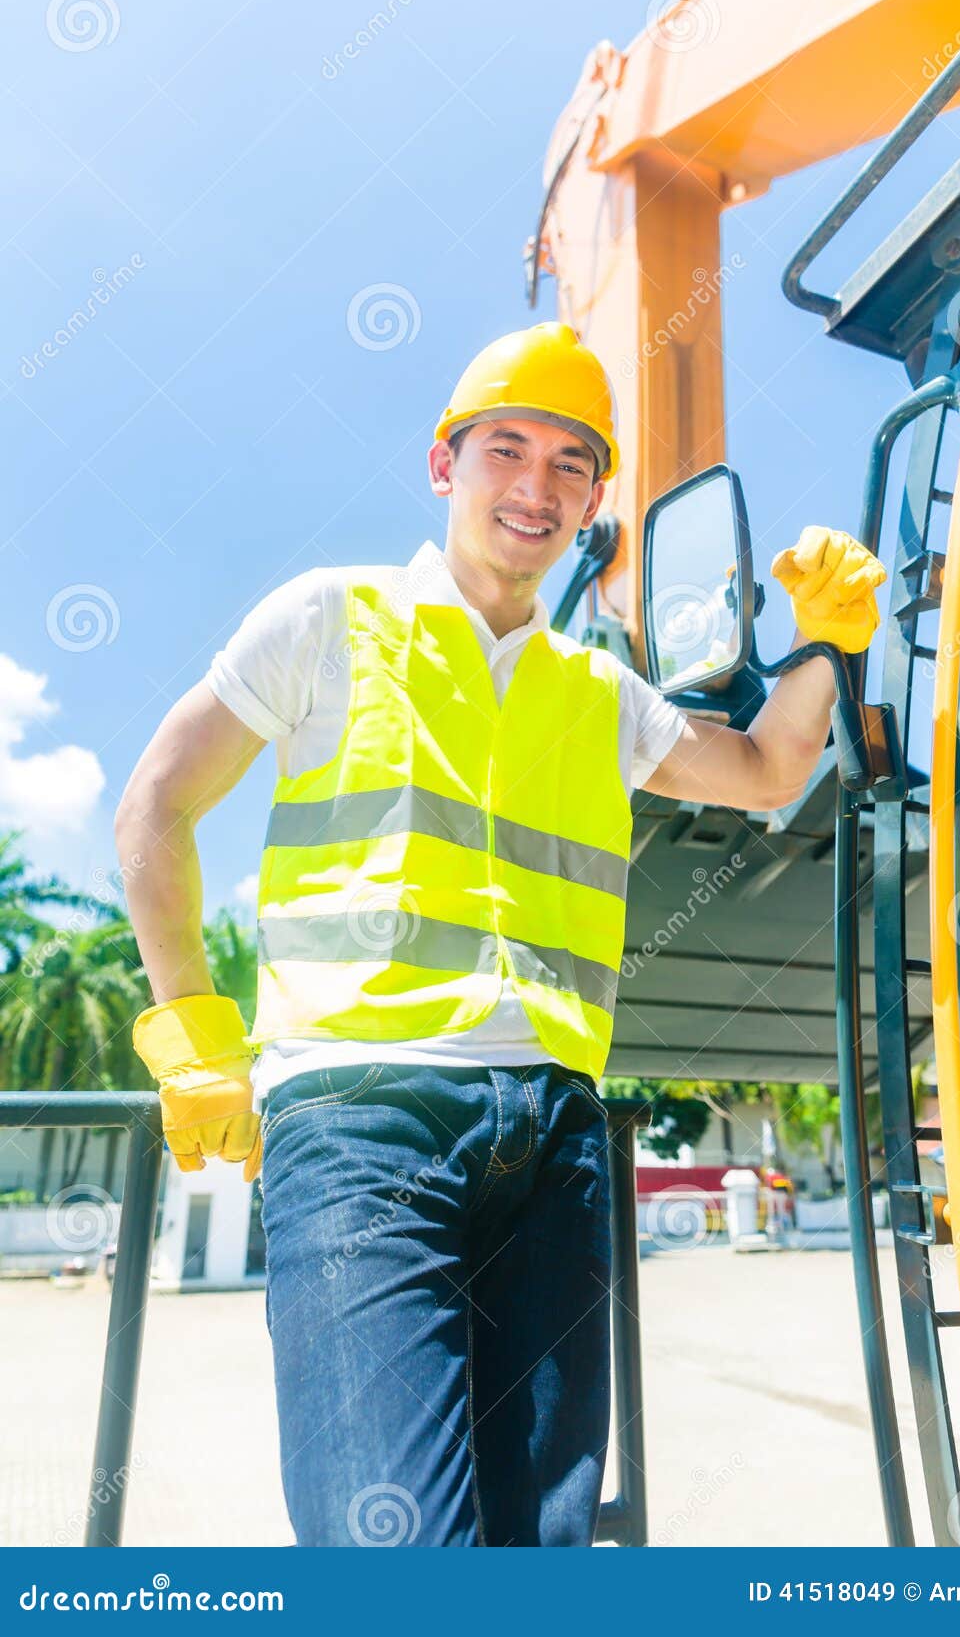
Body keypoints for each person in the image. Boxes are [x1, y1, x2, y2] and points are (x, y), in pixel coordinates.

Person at [115, 321, 886, 1547]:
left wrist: (828, 641)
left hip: (555, 1131)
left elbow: (763, 770)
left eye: (571, 462)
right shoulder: (328, 616)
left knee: (541, 1551)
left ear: (592, 501)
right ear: (444, 465)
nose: (537, 485)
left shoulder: (596, 690)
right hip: (361, 1121)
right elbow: (155, 804)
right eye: (506, 450)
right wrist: (193, 1036)